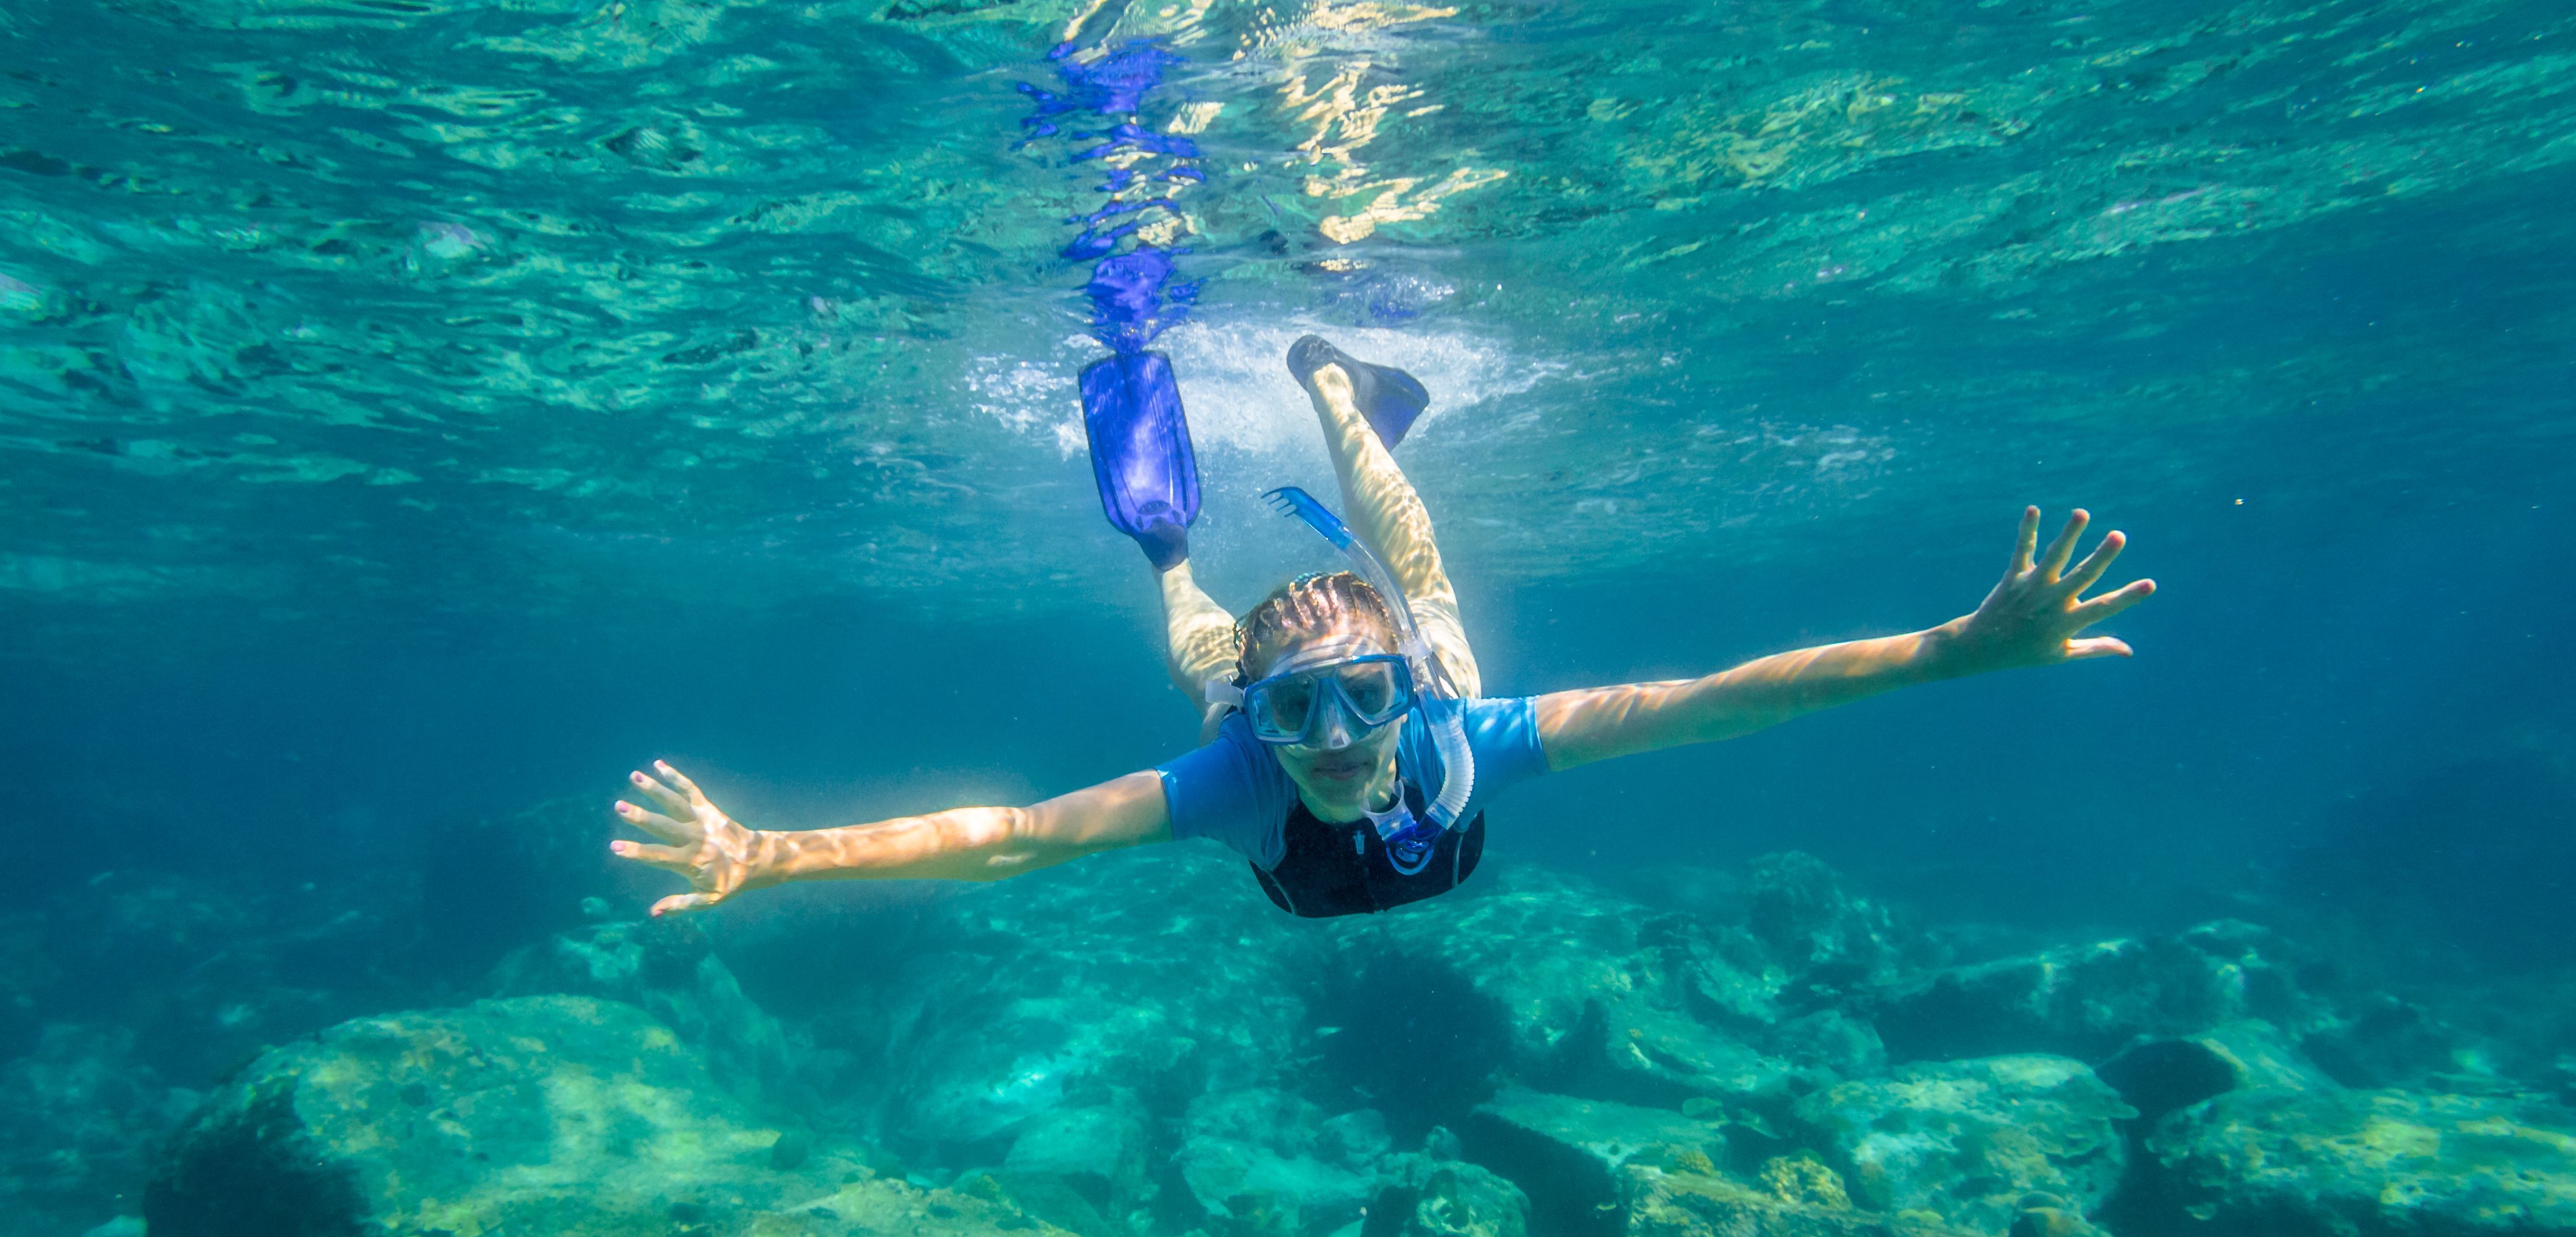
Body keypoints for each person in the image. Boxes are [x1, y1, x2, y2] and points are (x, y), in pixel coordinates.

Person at [611, 336, 2153, 919]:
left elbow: (1724, 697)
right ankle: (1163, 537)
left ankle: (1338, 390)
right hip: (1250, 666)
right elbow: (1012, 831)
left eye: (1358, 705)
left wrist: (1957, 652)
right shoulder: (1244, 766)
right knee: (1191, 628)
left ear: (1399, 696)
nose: (1337, 746)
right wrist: (772, 856)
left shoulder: (1453, 723)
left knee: (1418, 573)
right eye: (1305, 720)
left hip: (1415, 643)